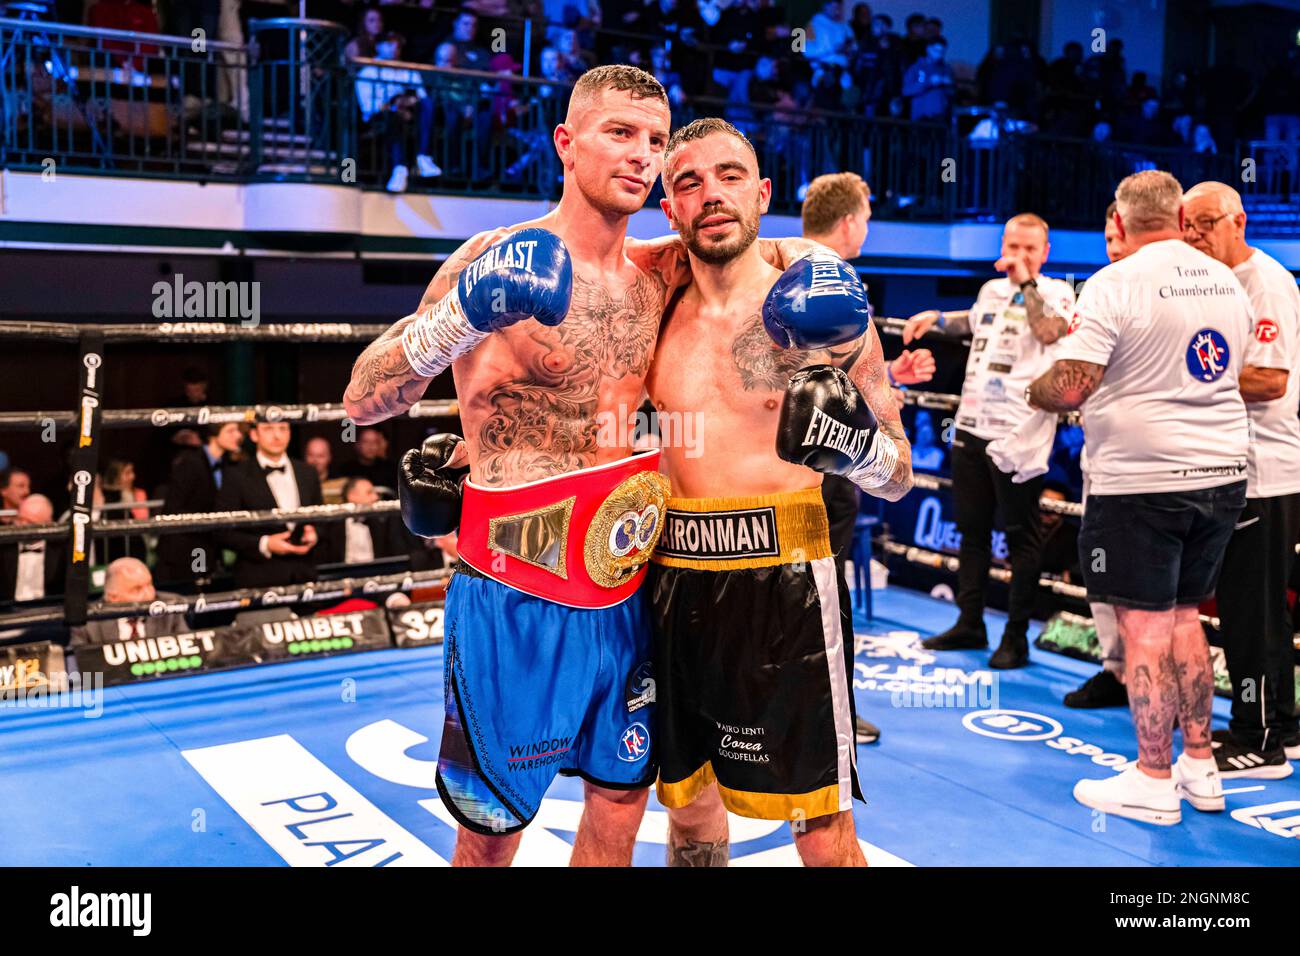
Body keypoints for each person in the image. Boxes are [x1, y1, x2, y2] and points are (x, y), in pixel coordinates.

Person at [343, 66, 818, 866]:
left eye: (656, 140)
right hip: (513, 598)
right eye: (619, 133)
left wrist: (822, 264)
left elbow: (748, 237)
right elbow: (365, 400)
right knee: (491, 834)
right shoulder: (487, 257)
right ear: (566, 142)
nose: (642, 155)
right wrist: (460, 318)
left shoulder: (659, 274)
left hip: (627, 596)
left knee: (620, 809)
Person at [645, 117, 912, 867]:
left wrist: (853, 443)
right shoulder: (651, 309)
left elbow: (897, 474)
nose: (712, 194)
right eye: (688, 182)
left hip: (787, 587)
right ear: (670, 209)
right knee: (690, 812)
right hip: (673, 584)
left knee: (821, 829)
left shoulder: (823, 310)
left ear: (763, 193)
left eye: (730, 176)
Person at [1027, 169, 1252, 826]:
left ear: (1120, 224)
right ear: (1181, 218)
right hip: (1220, 474)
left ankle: (1154, 777)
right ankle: (1200, 767)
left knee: (1147, 628)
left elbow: (1069, 387)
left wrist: (1032, 393)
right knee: (1185, 620)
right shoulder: (1225, 280)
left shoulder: (1116, 282)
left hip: (1141, 482)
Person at [903, 214, 1077, 668]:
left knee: (1021, 536)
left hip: (1018, 434)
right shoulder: (990, 291)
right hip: (971, 425)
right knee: (972, 532)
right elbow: (973, 322)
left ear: (1045, 253)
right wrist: (935, 317)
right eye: (1012, 247)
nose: (1018, 256)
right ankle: (970, 622)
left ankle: (1015, 637)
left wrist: (1027, 284)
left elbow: (1051, 332)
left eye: (1029, 249)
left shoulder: (1058, 293)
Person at [801, 170, 934, 746]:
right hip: (829, 463)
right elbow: (827, 390)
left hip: (777, 465)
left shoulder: (774, 270)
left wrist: (890, 376)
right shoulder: (839, 281)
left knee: (791, 586)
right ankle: (833, 711)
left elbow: (824, 377)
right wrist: (887, 393)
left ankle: (794, 707)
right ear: (852, 222)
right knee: (826, 592)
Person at [1184, 181, 1300, 776]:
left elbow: (1271, 379)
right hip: (1245, 467)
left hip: (1265, 471)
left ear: (1239, 220)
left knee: (1248, 614)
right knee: (1260, 611)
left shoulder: (1267, 282)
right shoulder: (1218, 286)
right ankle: (1283, 723)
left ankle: (1257, 738)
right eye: (1189, 225)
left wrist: (1187, 380)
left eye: (1207, 222)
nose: (1196, 234)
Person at [1064, 201, 1130, 710]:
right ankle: (1116, 669)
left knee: (1160, 590)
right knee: (1101, 568)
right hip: (1103, 456)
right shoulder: (1099, 291)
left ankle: (1151, 682)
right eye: (1108, 239)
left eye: (1120, 237)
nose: (1114, 248)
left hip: (1155, 464)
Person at [215, 421, 328, 588]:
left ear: (290, 433)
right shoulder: (236, 475)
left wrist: (314, 534)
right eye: (268, 429)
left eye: (282, 429)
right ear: (254, 435)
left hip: (305, 577)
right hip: (258, 579)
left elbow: (323, 520)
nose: (277, 436)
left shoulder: (308, 472)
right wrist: (265, 543)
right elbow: (222, 531)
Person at [154, 421, 243, 586]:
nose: (238, 436)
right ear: (213, 435)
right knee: (193, 590)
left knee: (205, 589)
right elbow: (173, 507)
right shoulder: (190, 463)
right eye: (230, 431)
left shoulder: (226, 464)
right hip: (186, 546)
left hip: (207, 543)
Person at [70, 558, 188, 648]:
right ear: (113, 597)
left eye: (150, 584)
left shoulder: (169, 607)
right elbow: (78, 667)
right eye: (137, 589)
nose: (149, 594)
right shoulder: (87, 620)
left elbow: (189, 652)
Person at [0, 495, 65, 605]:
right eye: (20, 520)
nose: (23, 527)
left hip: (49, 611)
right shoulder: (4, 545)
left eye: (30, 522)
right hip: (8, 610)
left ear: (48, 524)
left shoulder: (61, 551)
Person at [901, 36, 953, 121]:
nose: (939, 55)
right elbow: (906, 90)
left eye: (942, 52)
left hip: (940, 116)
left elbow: (951, 93)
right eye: (936, 50)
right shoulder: (916, 67)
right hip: (920, 116)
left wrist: (948, 84)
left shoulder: (946, 69)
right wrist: (929, 82)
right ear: (928, 49)